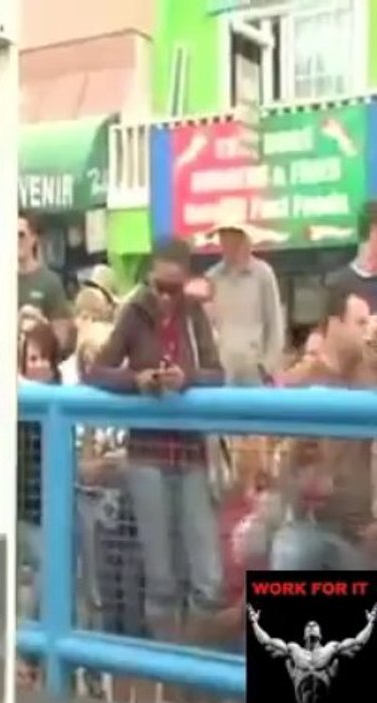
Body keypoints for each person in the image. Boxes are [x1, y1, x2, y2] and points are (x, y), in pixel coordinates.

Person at [86, 240, 225, 646]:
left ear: (185, 283)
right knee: (161, 578)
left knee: (208, 578)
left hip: (191, 452)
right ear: (149, 279)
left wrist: (187, 378)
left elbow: (218, 373)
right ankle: (169, 672)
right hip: (147, 454)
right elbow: (97, 370)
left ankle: (195, 671)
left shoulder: (195, 314)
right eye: (158, 286)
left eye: (173, 288)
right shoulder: (133, 313)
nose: (164, 297)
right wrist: (138, 381)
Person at [272, 285, 377, 571]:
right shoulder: (300, 380)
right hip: (304, 519)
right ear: (335, 324)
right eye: (360, 322)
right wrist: (299, 481)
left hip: (359, 529)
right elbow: (272, 456)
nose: (367, 330)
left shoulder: (370, 374)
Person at [248, 603, 377, 703]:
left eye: (314, 626)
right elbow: (268, 643)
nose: (311, 627)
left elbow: (357, 644)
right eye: (308, 626)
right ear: (303, 634)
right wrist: (254, 622)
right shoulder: (294, 650)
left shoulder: (330, 649)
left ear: (320, 634)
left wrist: (371, 622)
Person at [205, 220, 284, 384]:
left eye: (231, 238)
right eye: (223, 238)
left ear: (243, 240)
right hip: (223, 369)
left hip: (255, 369)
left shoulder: (263, 274)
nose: (226, 244)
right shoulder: (212, 277)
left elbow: (275, 322)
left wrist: (267, 367)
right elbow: (207, 324)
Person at [17, 212, 73, 353]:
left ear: (33, 239)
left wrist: (42, 324)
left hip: (39, 365)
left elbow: (62, 339)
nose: (15, 240)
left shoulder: (50, 282)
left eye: (21, 235)